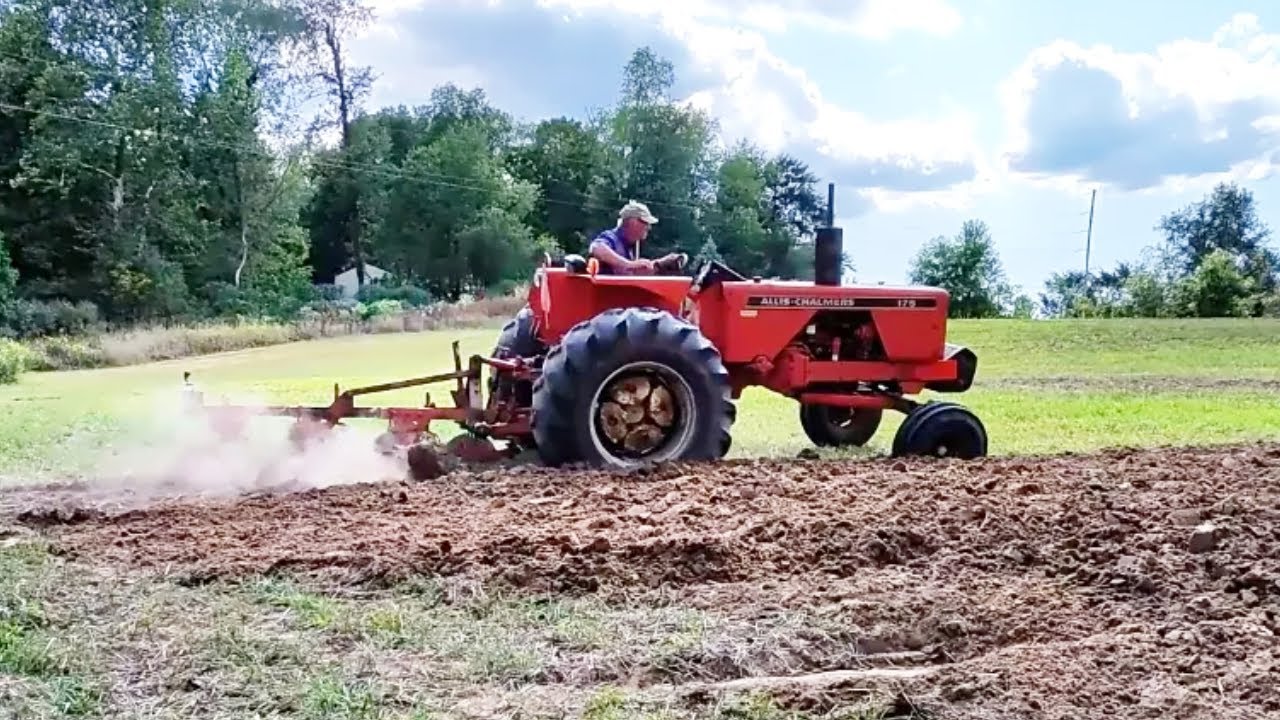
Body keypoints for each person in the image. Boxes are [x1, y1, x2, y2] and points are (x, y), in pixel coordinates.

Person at [588, 200, 684, 274]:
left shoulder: (628, 247)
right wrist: (630, 264)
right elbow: (596, 247)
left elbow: (631, 274)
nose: (649, 227)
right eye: (646, 222)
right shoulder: (612, 237)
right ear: (633, 221)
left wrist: (660, 264)